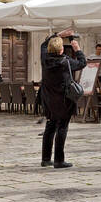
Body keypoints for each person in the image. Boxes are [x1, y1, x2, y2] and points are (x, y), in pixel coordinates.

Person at [40, 33, 86, 170]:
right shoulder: (65, 62)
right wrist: (77, 49)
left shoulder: (45, 59)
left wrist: (58, 34)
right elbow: (82, 63)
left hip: (48, 99)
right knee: (62, 127)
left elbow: (43, 44)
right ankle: (59, 160)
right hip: (63, 100)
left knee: (50, 126)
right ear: (61, 50)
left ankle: (46, 159)